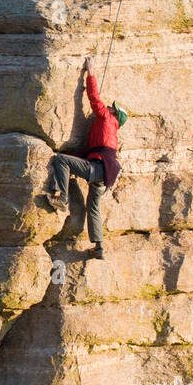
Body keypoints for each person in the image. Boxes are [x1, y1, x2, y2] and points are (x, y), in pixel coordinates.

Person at [36, 57, 127, 259]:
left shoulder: (107, 118)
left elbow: (94, 98)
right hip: (105, 174)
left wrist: (90, 73)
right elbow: (88, 153)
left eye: (112, 108)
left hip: (98, 169)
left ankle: (62, 198)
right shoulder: (110, 132)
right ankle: (99, 248)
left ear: (114, 114)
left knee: (61, 161)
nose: (109, 107)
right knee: (93, 208)